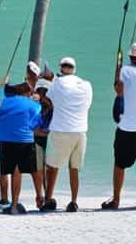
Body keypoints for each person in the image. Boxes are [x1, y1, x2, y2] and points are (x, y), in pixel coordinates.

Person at [105, 41, 136, 209]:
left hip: (125, 127)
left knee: (119, 165)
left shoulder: (124, 71)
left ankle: (116, 200)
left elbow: (117, 85)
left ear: (131, 57)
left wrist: (119, 65)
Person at [44, 56, 91, 212]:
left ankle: (48, 199)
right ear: (74, 69)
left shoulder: (56, 84)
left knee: (52, 167)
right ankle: (74, 201)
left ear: (61, 68)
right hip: (80, 132)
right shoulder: (86, 85)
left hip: (60, 130)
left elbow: (48, 99)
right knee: (74, 168)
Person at [0, 82, 44, 213]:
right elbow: (37, 122)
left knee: (5, 171)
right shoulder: (32, 104)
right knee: (28, 169)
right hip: (23, 139)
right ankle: (23, 202)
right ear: (27, 93)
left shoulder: (4, 102)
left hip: (3, 138)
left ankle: (4, 200)